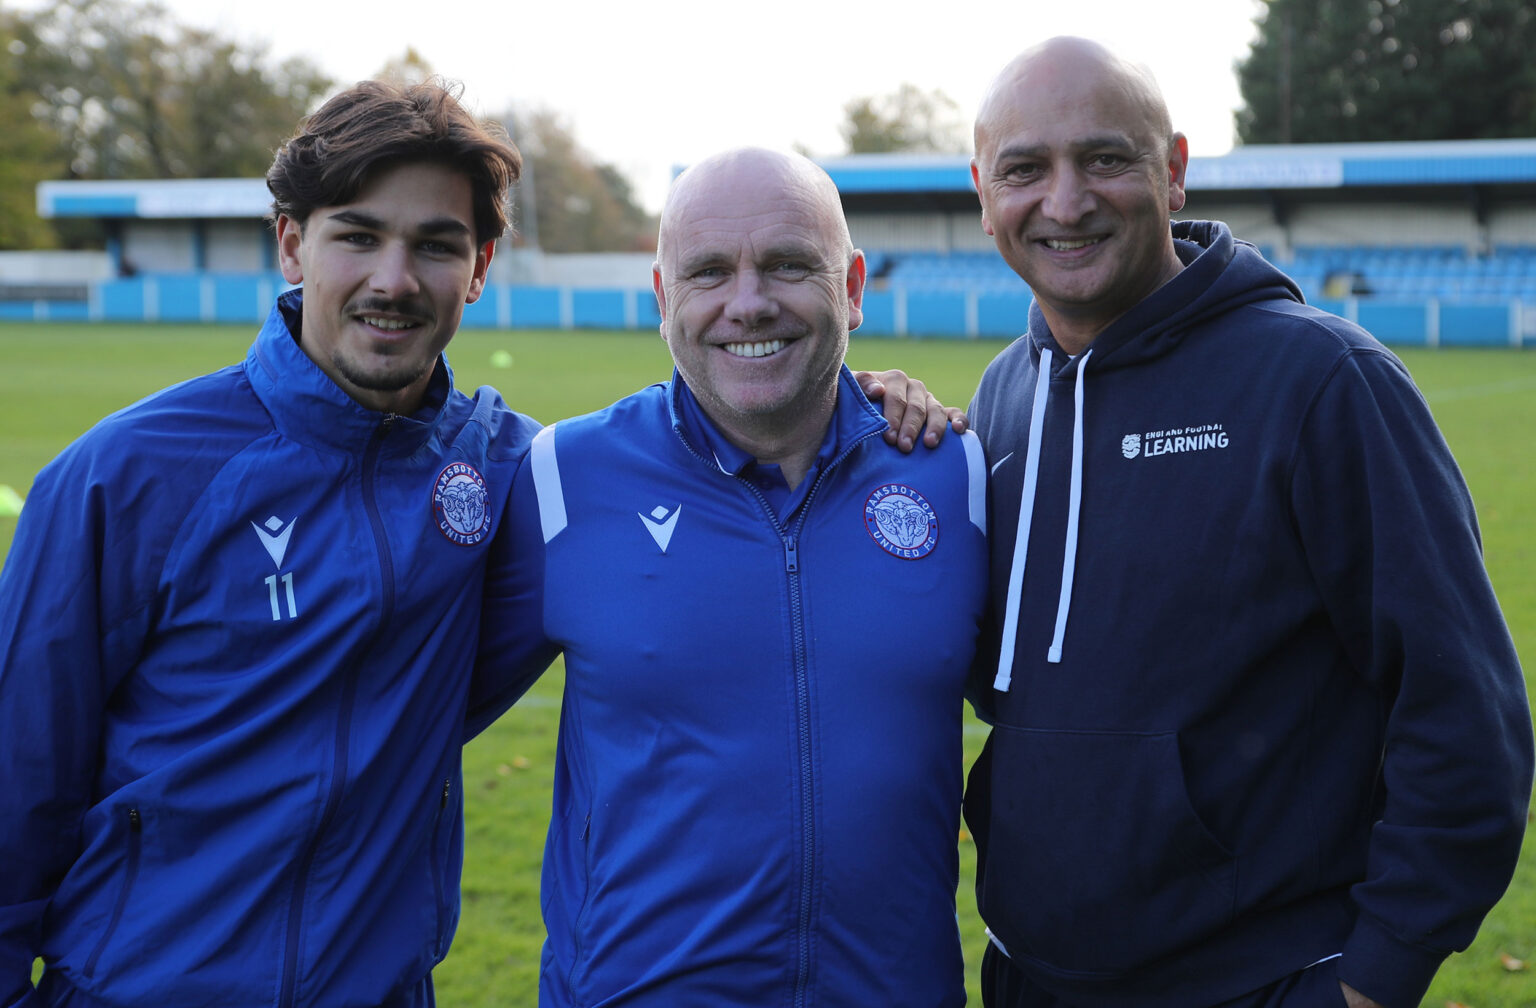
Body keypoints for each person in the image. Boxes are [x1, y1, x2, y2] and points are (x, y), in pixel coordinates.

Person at [0, 82, 955, 1008]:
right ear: (292, 244)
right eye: (358, 236)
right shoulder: (123, 477)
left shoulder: (516, 470)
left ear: (480, 268)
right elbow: (17, 774)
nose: (394, 279)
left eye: (435, 245)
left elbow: (738, 413)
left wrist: (847, 398)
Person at [962, 36, 1533, 1008]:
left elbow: (1463, 713)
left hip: (1259, 982)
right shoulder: (1002, 397)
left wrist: (1377, 976)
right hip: (1031, 974)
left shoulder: (1321, 382)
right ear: (983, 193)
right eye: (1025, 169)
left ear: (1173, 171)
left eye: (1106, 158)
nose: (1064, 201)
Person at [471, 147, 989, 1006]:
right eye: (709, 271)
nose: (748, 302)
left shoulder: (956, 473)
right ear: (662, 298)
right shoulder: (562, 478)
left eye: (790, 265)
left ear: (853, 286)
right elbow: (404, 720)